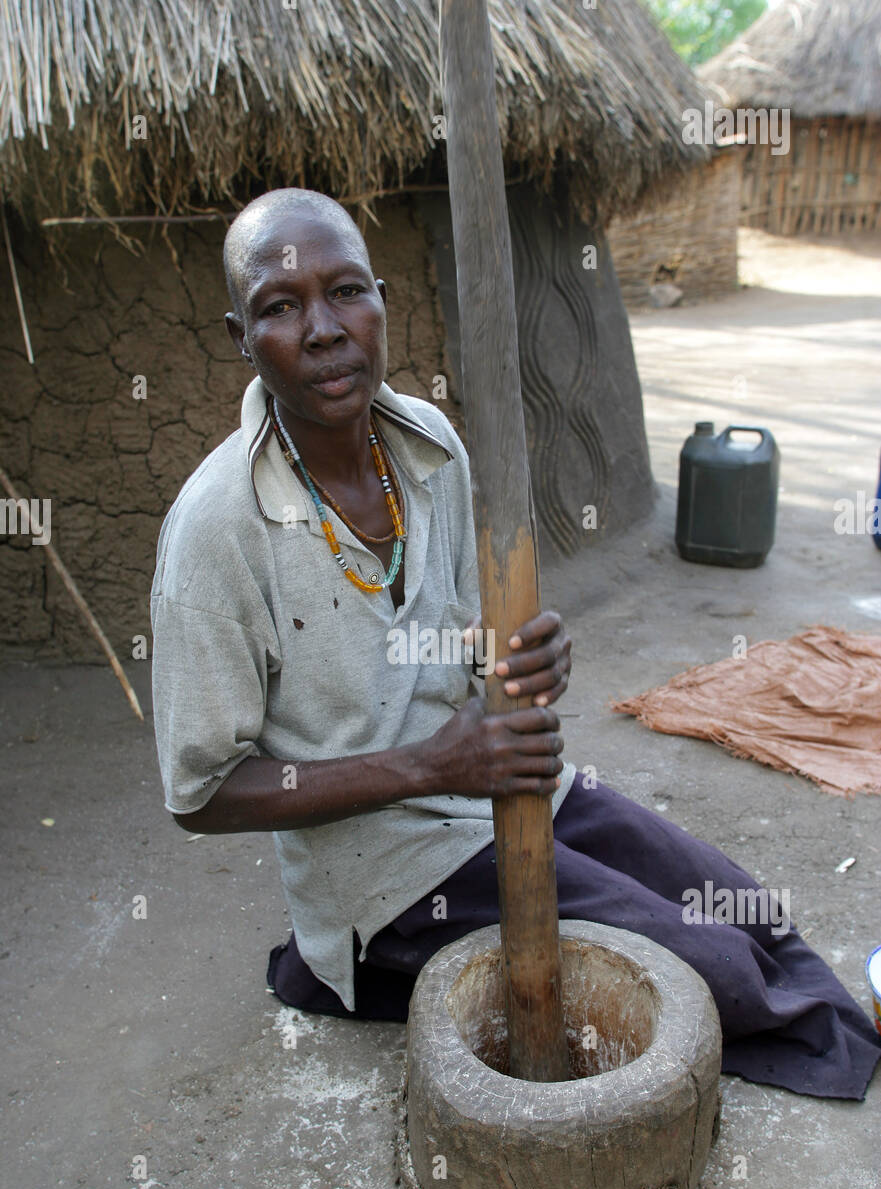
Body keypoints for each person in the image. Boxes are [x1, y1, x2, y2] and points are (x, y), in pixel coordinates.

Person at [150, 188, 880, 1101]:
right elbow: (199, 796)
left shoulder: (431, 450)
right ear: (239, 337)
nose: (325, 329)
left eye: (346, 292)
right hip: (387, 866)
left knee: (738, 909)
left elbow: (459, 645)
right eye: (281, 307)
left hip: (495, 780)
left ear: (382, 300)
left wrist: (515, 657)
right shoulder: (217, 531)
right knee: (715, 975)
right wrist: (429, 767)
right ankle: (346, 960)